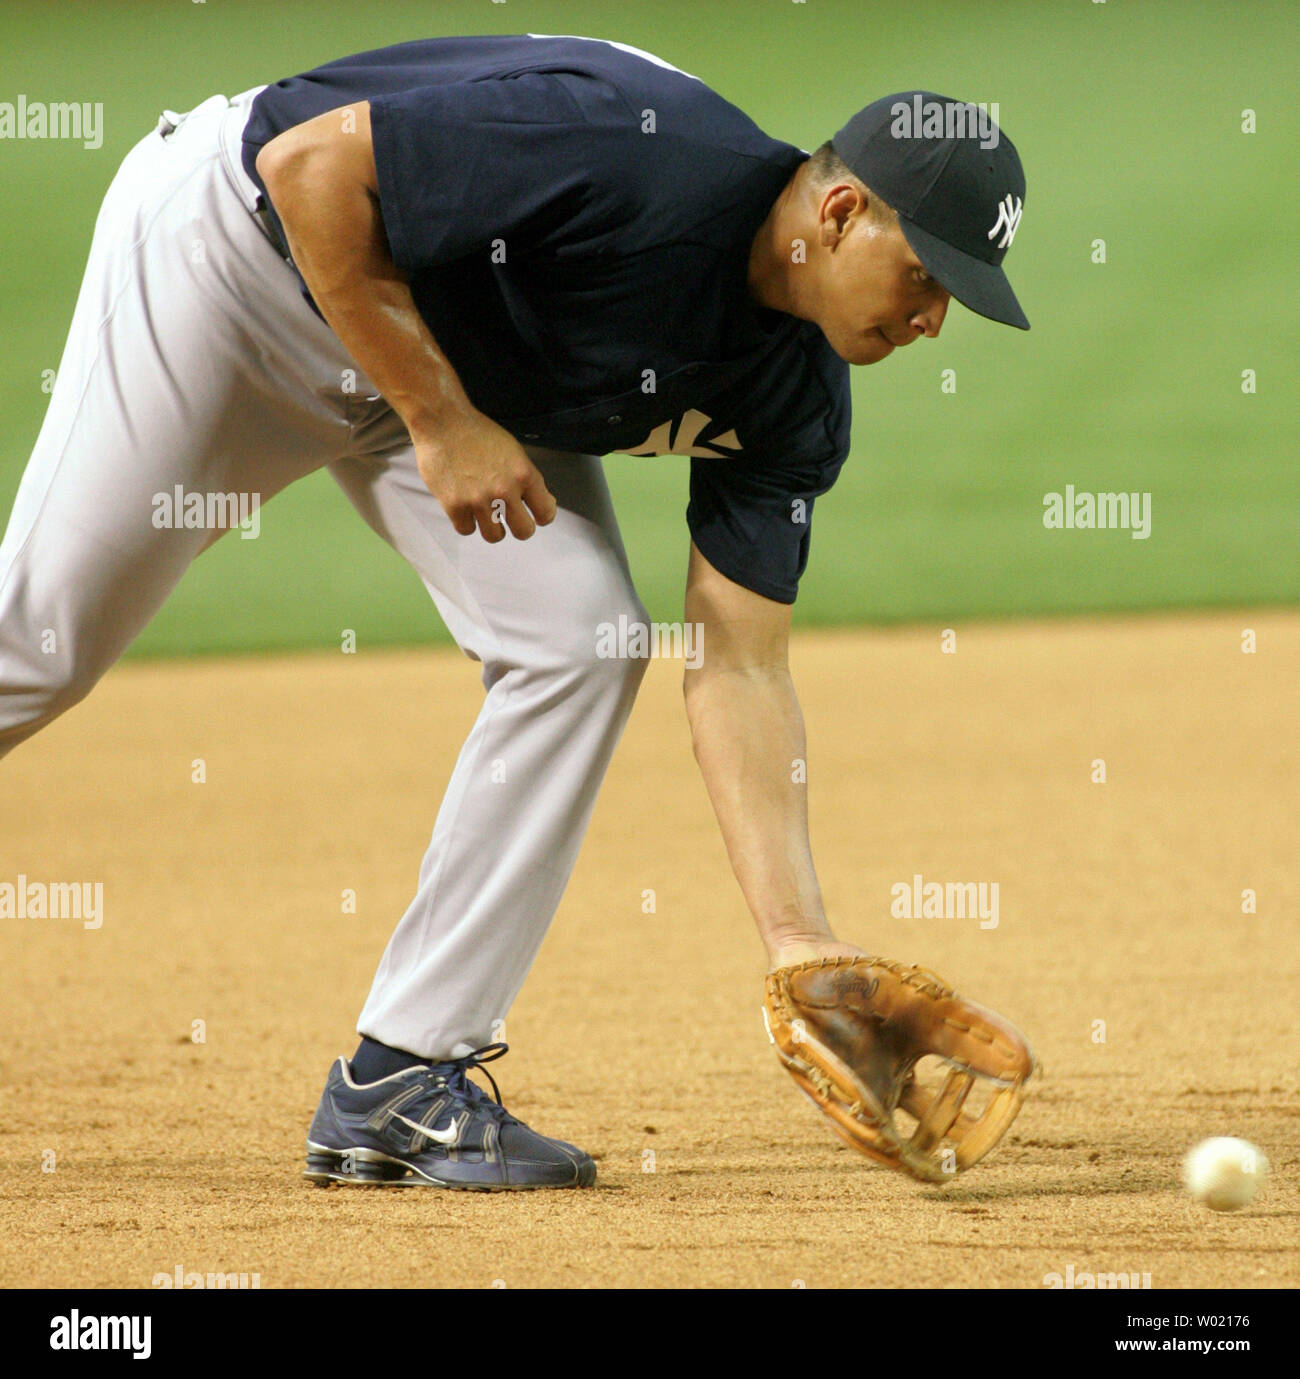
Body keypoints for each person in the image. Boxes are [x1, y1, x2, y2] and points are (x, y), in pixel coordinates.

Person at [0, 36, 1030, 1189]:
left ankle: (398, 1080)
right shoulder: (637, 154)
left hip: (431, 362)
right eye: (927, 274)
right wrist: (440, 418)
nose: (935, 317)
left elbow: (739, 663)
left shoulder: (794, 398)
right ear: (839, 212)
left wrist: (801, 941)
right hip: (237, 270)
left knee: (580, 642)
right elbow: (309, 172)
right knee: (37, 646)